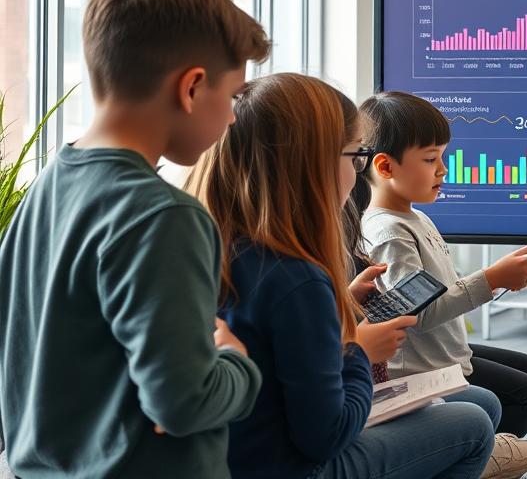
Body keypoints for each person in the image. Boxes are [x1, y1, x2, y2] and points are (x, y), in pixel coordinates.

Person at [0, 0, 268, 477]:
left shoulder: (47, 187)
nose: (235, 116)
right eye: (233, 96)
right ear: (190, 88)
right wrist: (236, 362)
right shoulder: (164, 218)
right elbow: (184, 402)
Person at [188, 73, 494, 479]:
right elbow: (324, 437)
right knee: (472, 425)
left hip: (232, 451)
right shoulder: (295, 276)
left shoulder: (212, 245)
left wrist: (343, 309)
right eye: (355, 157)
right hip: (289, 464)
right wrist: (356, 351)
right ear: (312, 165)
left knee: (479, 405)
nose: (359, 172)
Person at [357, 91, 527, 442]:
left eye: (442, 156)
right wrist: (490, 279)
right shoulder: (388, 232)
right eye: (431, 159)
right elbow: (420, 315)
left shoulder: (414, 216)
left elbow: (439, 284)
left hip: (442, 351)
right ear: (385, 167)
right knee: (526, 393)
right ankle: (479, 459)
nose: (443, 169)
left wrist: (497, 279)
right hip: (421, 367)